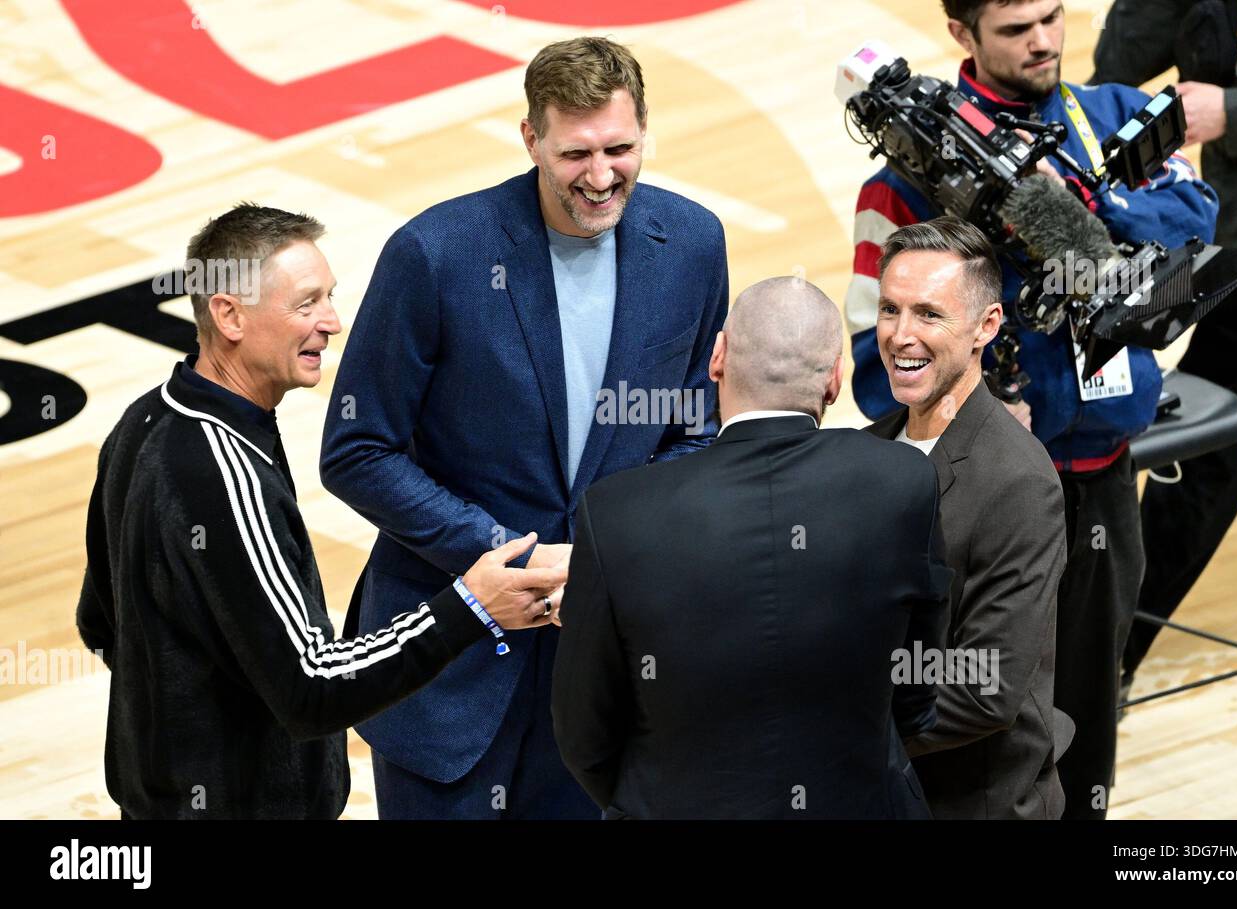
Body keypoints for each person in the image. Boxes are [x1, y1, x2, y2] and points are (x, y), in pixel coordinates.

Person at [319, 36, 730, 819]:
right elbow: (357, 447)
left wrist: (621, 557)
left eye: (621, 148)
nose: (603, 176)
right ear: (531, 139)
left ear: (646, 131)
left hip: (610, 670)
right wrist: (518, 558)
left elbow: (693, 430)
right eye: (577, 153)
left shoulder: (694, 244)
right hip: (451, 673)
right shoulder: (435, 254)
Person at [846, 0, 1220, 819]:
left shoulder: (1108, 117)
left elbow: (1198, 223)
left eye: (1052, 16)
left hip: (1104, 484)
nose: (1045, 41)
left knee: (1091, 706)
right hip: (985, 505)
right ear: (962, 36)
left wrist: (1081, 213)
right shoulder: (908, 176)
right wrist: (973, 410)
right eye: (1017, 28)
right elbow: (874, 362)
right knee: (993, 726)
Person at [75, 204, 566, 819]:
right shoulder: (223, 473)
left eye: (329, 298)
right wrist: (469, 607)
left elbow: (101, 622)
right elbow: (313, 688)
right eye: (306, 304)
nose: (332, 322)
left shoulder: (144, 420)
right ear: (229, 314)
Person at [551, 276, 952, 819]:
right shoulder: (904, 480)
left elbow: (584, 737)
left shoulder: (615, 513)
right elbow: (915, 690)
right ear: (835, 379)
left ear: (717, 357)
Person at [1092, 0, 1237, 692]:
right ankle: (1099, 661)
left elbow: (1225, 105)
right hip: (1232, 237)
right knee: (1169, 440)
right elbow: (1109, 75)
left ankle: (1103, 667)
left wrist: (1235, 115)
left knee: (1203, 465)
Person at [864, 217, 1069, 819]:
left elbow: (985, 692)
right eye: (890, 310)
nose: (901, 336)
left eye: (929, 314)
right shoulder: (867, 447)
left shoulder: (1021, 483)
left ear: (987, 326)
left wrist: (835, 732)